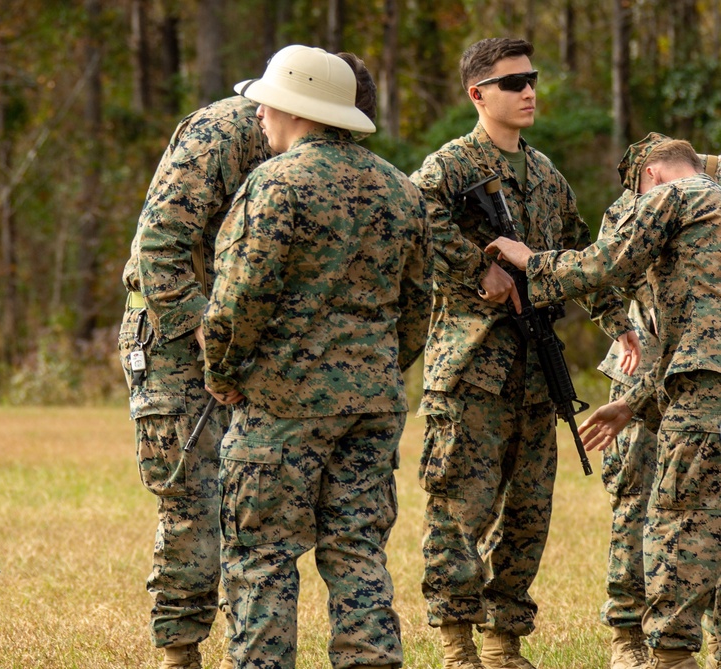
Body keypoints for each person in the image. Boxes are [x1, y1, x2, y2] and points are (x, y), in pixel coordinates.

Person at [408, 37, 638, 669]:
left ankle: (504, 641)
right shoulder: (450, 168)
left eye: (532, 79)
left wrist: (619, 323)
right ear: (478, 94)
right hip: (473, 369)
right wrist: (474, 267)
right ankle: (457, 645)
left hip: (537, 374)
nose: (529, 91)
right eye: (513, 83)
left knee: (529, 515)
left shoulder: (545, 177)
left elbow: (582, 259)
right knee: (461, 508)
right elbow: (414, 219)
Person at [203, 45, 433, 669]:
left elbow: (236, 304)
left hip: (284, 406)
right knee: (358, 549)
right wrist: (379, 365)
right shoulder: (400, 188)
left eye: (265, 103)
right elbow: (418, 307)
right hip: (374, 405)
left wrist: (223, 375)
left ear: (293, 108)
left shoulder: (275, 184)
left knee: (261, 557)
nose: (257, 115)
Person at [486, 137, 721, 669]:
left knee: (680, 520)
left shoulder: (671, 196)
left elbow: (603, 266)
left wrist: (531, 261)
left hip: (700, 390)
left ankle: (672, 657)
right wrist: (635, 402)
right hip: (672, 378)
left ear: (653, 178)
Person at [118, 85, 271, 668]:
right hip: (176, 337)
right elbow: (159, 248)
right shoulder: (222, 133)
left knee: (251, 500)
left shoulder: (305, 154)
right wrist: (210, 340)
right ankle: (178, 655)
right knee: (195, 503)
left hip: (242, 340)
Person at [593, 136, 721, 669]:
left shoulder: (701, 191)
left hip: (692, 358)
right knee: (638, 493)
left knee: (698, 502)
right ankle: (628, 630)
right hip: (640, 360)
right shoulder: (628, 207)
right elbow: (600, 276)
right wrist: (619, 329)